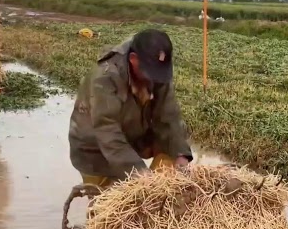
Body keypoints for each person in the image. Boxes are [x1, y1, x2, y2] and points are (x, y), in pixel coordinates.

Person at [68, 29, 194, 188]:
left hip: (135, 136)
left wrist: (181, 155)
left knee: (171, 151)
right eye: (150, 74)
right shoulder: (105, 77)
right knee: (110, 206)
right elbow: (108, 132)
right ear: (133, 60)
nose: (155, 80)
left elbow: (168, 116)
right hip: (96, 150)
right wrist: (139, 174)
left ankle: (158, 194)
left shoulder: (156, 67)